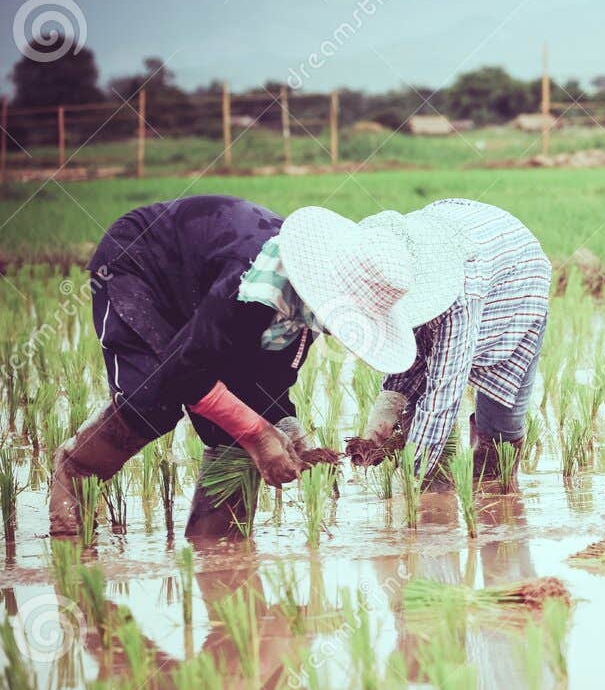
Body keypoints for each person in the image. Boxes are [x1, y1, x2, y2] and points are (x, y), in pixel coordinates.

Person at [47, 195, 378, 539]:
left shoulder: (302, 308)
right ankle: (77, 471)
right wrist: (258, 433)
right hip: (144, 264)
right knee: (152, 403)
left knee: (240, 420)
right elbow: (185, 373)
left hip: (203, 290)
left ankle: (215, 545)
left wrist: (286, 429)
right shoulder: (250, 284)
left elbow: (270, 381)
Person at [309, 199, 551, 483]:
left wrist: (414, 477)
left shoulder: (458, 298)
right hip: (468, 242)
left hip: (518, 278)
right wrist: (389, 408)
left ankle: (494, 495)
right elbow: (409, 351)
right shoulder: (386, 269)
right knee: (416, 415)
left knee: (501, 427)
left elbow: (443, 393)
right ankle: (439, 487)